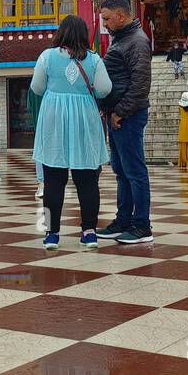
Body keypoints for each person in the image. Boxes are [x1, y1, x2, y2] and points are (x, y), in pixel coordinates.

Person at [31, 14, 112, 250]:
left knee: (53, 182)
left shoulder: (47, 56)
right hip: (84, 120)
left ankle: (51, 234)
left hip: (54, 121)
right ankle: (89, 232)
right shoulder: (94, 59)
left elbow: (36, 88)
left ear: (61, 32)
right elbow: (104, 89)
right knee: (87, 181)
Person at [96, 0, 153, 244]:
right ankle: (123, 220)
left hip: (128, 115)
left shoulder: (137, 42)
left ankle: (142, 226)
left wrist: (121, 111)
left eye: (107, 19)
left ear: (121, 16)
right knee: (121, 171)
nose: (105, 24)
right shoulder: (121, 39)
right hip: (116, 114)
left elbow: (141, 84)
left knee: (134, 171)